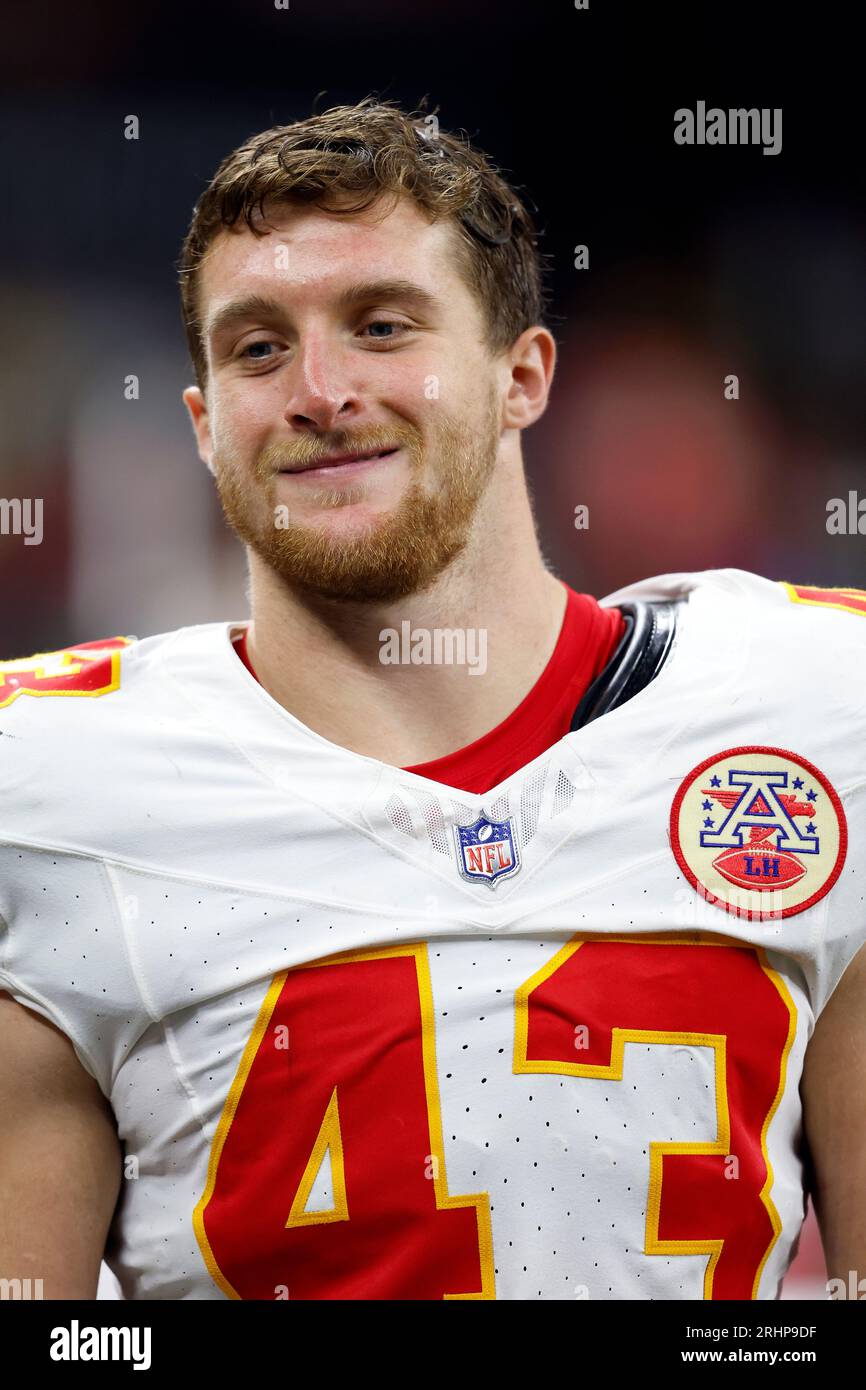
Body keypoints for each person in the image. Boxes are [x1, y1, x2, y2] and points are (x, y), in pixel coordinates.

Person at [1, 97, 864, 1301]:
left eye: (380, 325)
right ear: (201, 427)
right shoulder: (47, 795)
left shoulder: (817, 710)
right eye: (256, 348)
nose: (317, 389)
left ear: (520, 374)